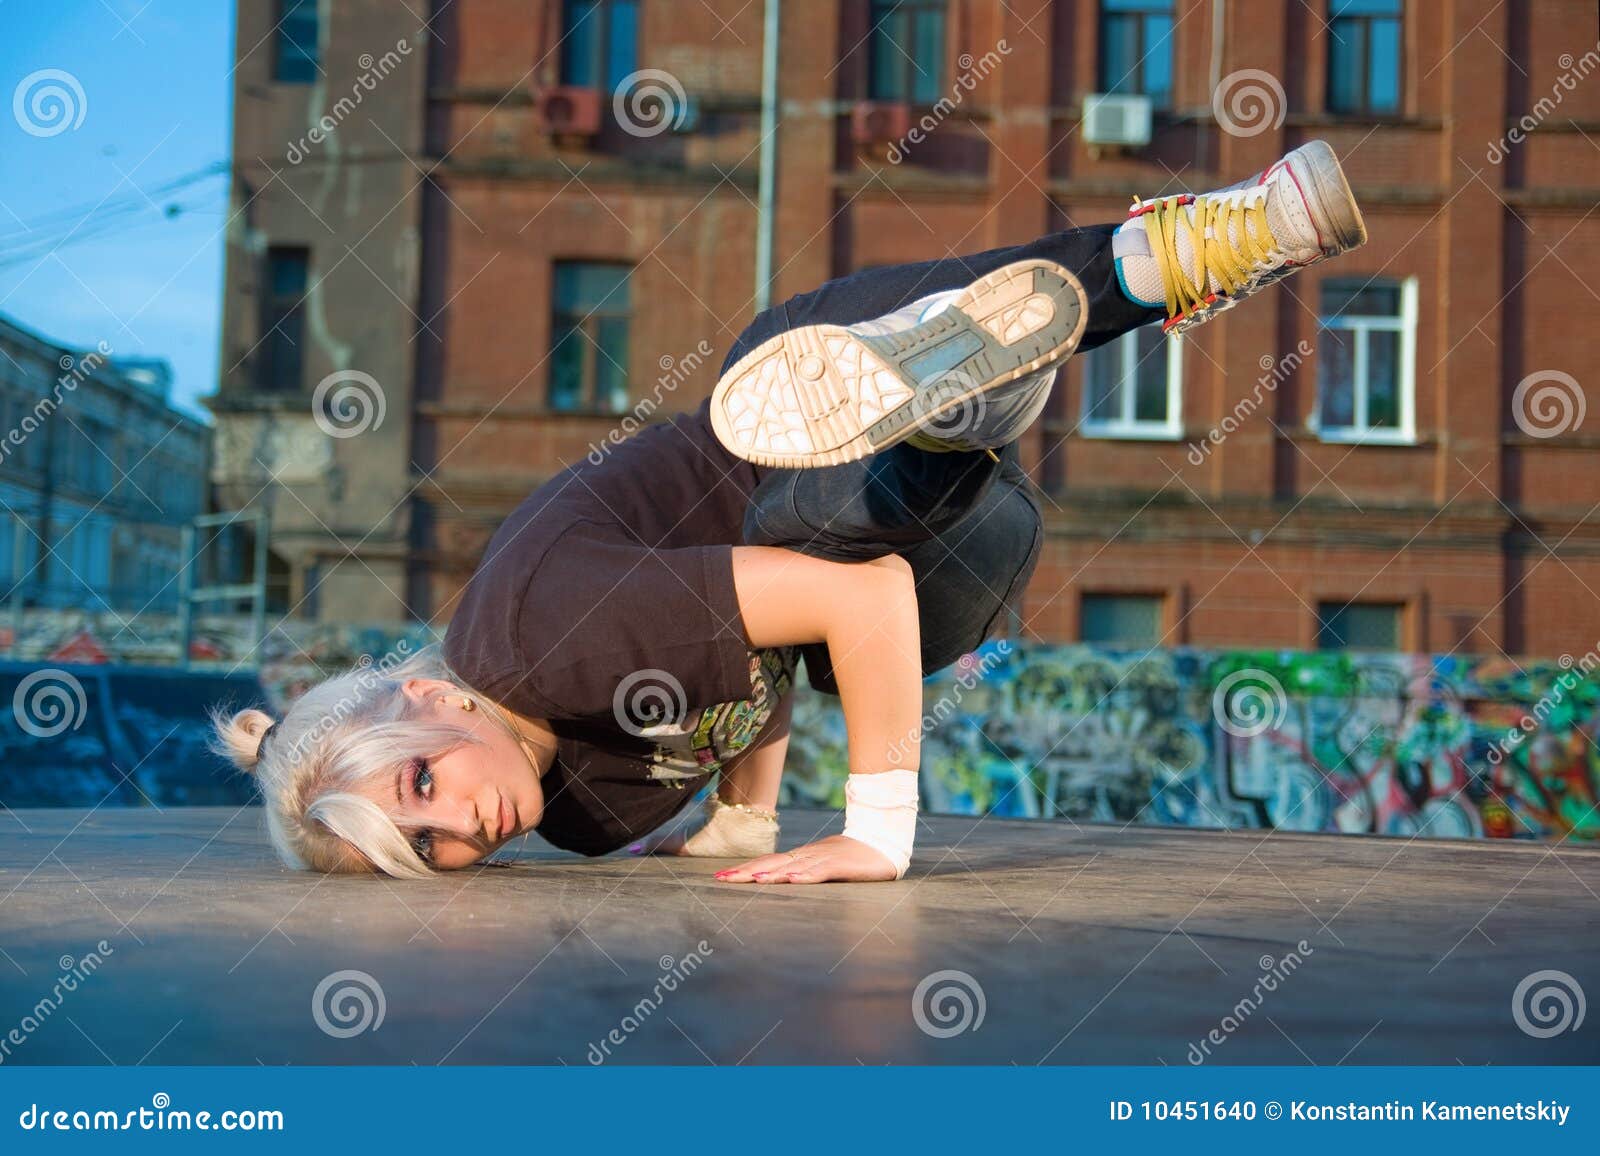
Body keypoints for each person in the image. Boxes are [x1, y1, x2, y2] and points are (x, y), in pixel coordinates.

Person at [213, 141, 1366, 884]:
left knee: (802, 470)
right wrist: (744, 819)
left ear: (424, 697)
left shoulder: (542, 636)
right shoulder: (578, 815)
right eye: (425, 850)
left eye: (423, 786)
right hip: (951, 555)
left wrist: (876, 830)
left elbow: (858, 597)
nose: (463, 829)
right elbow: (742, 680)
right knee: (818, 590)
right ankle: (957, 411)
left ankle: (1146, 277)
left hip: (821, 449)